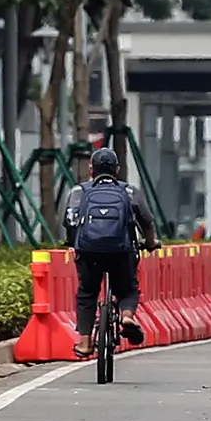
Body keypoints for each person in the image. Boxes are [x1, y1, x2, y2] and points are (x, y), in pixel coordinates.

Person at [63, 147, 160, 357]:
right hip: (121, 251)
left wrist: (75, 243)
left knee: (87, 293)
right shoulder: (130, 191)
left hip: (88, 252)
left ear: (91, 170)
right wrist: (151, 242)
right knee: (128, 289)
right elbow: (147, 222)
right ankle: (126, 316)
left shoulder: (79, 191)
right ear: (117, 170)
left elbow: (70, 221)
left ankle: (85, 343)